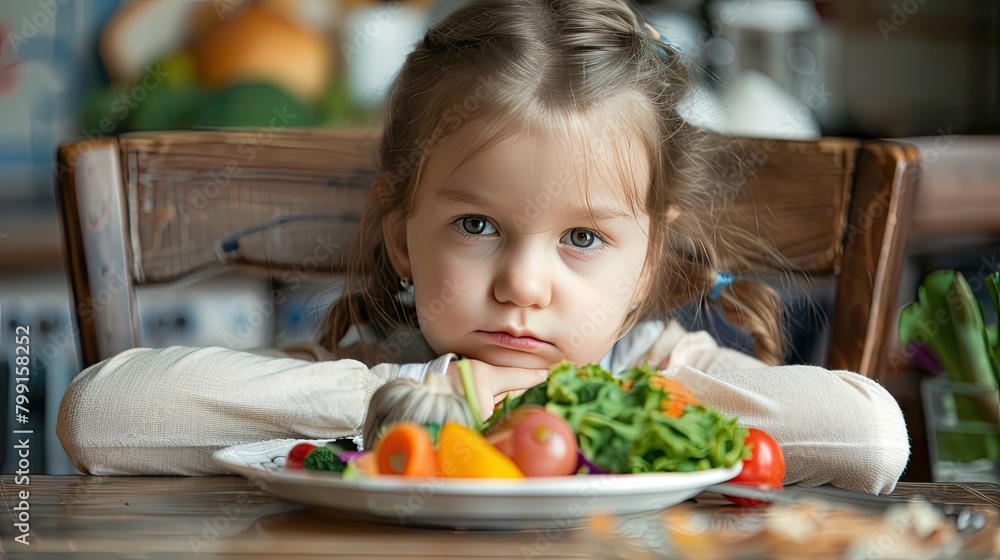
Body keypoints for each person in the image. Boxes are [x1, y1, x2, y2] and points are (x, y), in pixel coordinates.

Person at [57, 0, 909, 493]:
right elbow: (102, 414)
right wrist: (426, 401)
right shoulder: (364, 366)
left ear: (648, 262)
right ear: (402, 240)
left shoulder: (658, 370)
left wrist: (594, 412)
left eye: (582, 237)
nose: (523, 285)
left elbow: (870, 440)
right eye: (477, 226)